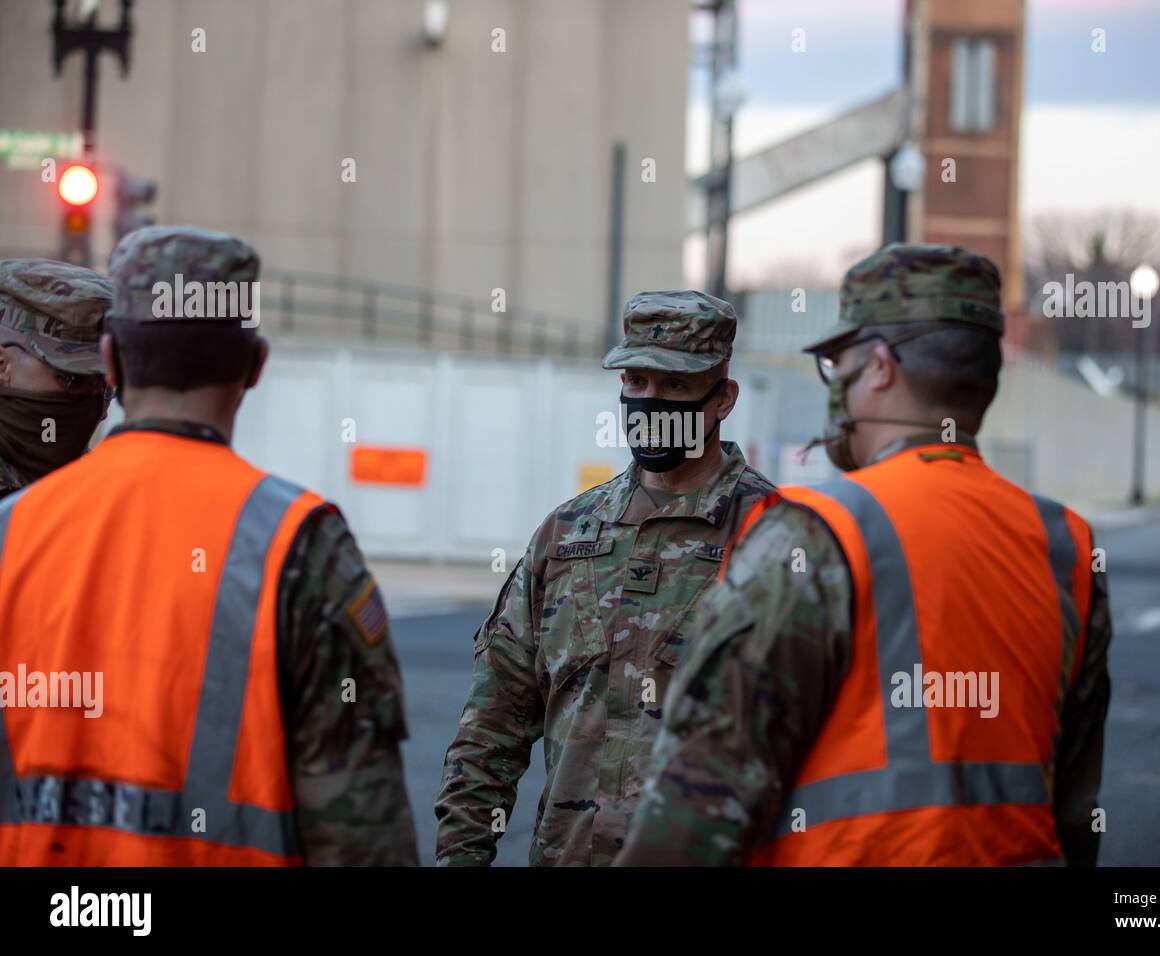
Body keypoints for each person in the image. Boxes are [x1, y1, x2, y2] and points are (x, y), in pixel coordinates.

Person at [616, 243, 1112, 866]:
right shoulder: (1066, 546)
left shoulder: (814, 532)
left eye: (836, 364)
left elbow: (700, 795)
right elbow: (1074, 806)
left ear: (879, 368)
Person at [0, 225, 418, 865]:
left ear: (111, 364)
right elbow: (359, 829)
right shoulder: (302, 547)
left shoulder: (14, 531)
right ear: (255, 367)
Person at [435, 290, 775, 865]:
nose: (649, 402)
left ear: (723, 399)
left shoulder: (775, 539)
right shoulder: (566, 537)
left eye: (675, 387)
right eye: (636, 383)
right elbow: (491, 729)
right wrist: (461, 855)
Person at [0, 259, 114, 499]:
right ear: (2, 365)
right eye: (73, 378)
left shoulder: (105, 492)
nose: (98, 406)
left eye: (105, 384)